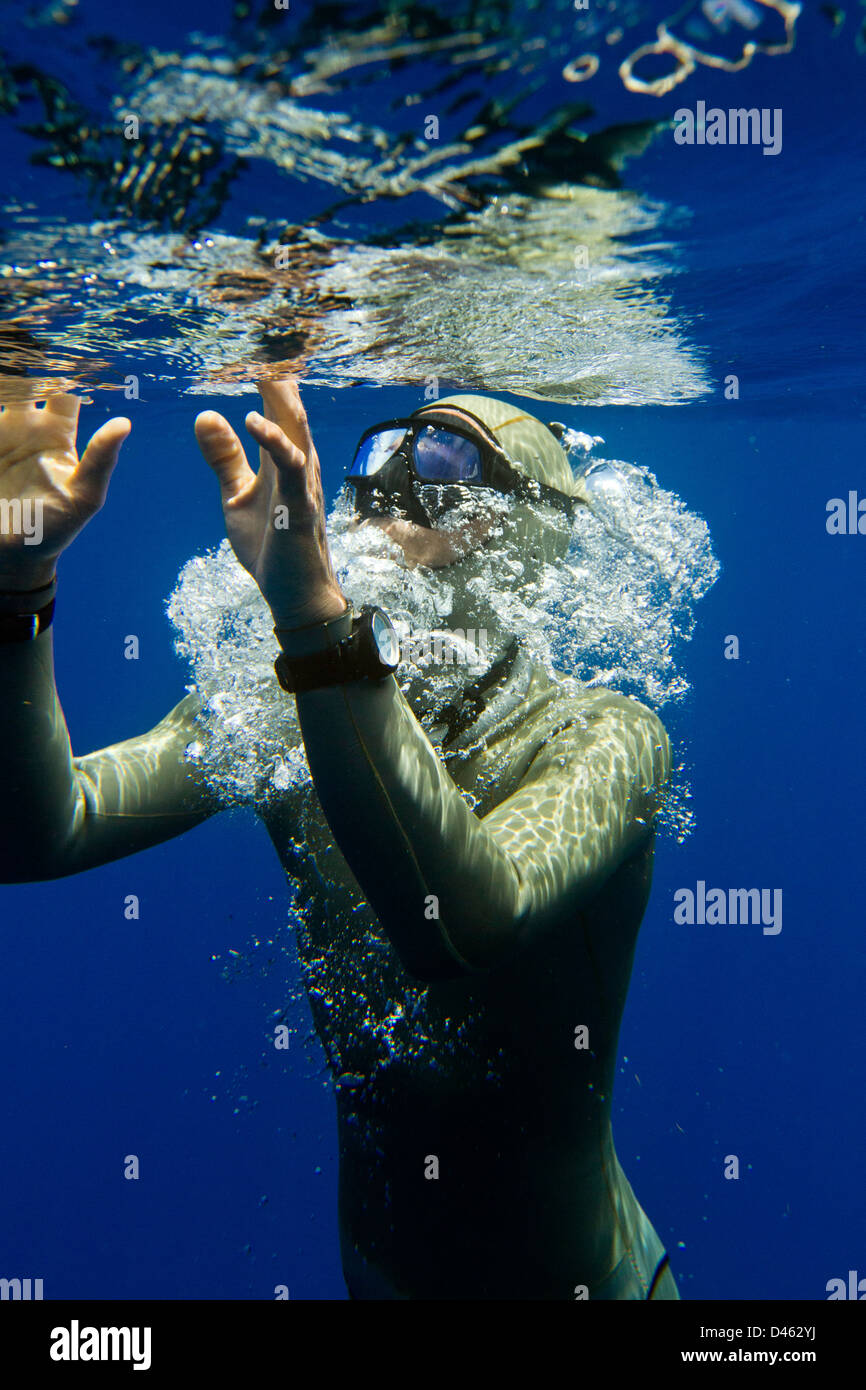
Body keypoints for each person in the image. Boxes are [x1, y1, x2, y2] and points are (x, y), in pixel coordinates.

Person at [0, 380, 677, 1300]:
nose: (387, 488)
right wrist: (18, 589)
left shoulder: (604, 739)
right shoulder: (286, 710)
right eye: (374, 458)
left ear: (531, 533)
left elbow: (463, 926)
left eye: (444, 460)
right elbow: (41, 834)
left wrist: (318, 626)